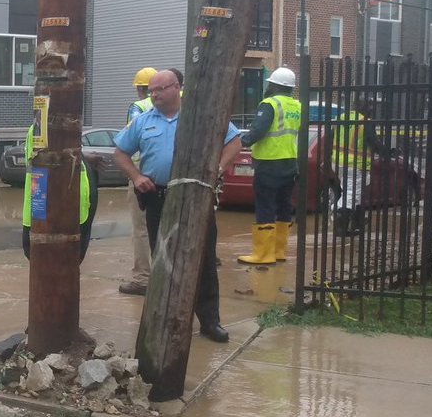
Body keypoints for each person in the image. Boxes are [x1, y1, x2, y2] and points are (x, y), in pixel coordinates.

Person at [112, 70, 243, 343]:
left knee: (203, 258)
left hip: (196, 195)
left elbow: (234, 141)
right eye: (151, 91)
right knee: (163, 258)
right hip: (158, 196)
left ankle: (209, 321)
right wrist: (136, 177)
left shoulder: (201, 115)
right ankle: (165, 319)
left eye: (159, 89)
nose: (154, 95)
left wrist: (218, 169)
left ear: (177, 88)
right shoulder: (143, 121)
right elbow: (120, 153)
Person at [237, 67, 301, 264]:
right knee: (284, 206)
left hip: (269, 163)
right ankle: (278, 251)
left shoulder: (269, 104)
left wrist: (241, 142)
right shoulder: (297, 106)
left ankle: (263, 255)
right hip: (290, 163)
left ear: (274, 85)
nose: (267, 86)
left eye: (269, 83)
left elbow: (257, 131)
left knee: (265, 206)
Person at [22, 123, 96, 264]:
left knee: (66, 258)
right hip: (47, 204)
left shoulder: (47, 126)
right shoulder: (39, 128)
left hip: (70, 204)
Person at [119, 67, 158, 295]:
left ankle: (143, 277)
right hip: (168, 171)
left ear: (140, 89)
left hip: (141, 172)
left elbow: (130, 138)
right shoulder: (180, 102)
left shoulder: (139, 107)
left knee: (141, 227)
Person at [330, 96, 388, 237]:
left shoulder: (341, 117)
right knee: (351, 194)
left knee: (350, 192)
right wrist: (386, 152)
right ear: (365, 107)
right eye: (370, 107)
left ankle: (354, 222)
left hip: (337, 162)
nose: (372, 110)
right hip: (354, 164)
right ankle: (339, 221)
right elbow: (373, 142)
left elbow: (330, 137)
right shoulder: (364, 122)